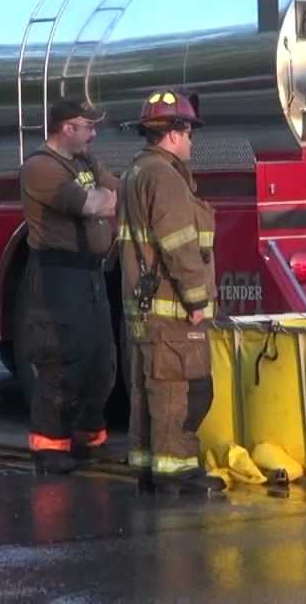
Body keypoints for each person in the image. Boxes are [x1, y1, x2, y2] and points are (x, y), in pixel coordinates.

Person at [118, 88, 225, 494]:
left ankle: (150, 464)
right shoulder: (164, 177)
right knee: (184, 387)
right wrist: (197, 299)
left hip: (147, 307)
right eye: (189, 132)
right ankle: (177, 470)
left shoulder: (136, 172)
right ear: (174, 133)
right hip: (172, 307)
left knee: (152, 386)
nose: (192, 141)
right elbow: (179, 244)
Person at [18, 96, 119, 475]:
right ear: (66, 128)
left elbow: (115, 192)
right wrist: (104, 198)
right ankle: (50, 445)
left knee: (100, 357)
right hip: (57, 278)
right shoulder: (41, 168)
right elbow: (93, 204)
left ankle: (87, 435)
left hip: (89, 275)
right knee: (61, 358)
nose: (94, 134)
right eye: (87, 127)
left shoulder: (85, 162)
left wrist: (108, 196)